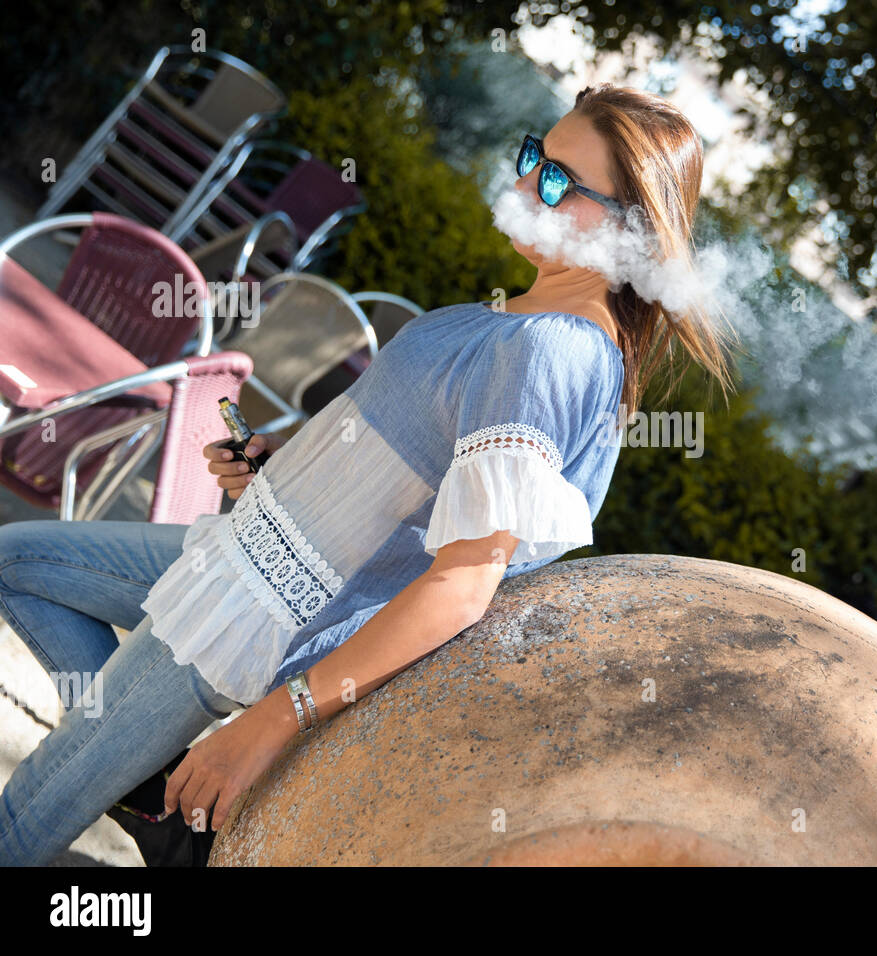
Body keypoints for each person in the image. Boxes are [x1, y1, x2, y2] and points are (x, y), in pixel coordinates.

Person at [0, 83, 737, 865]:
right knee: (18, 563)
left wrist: (277, 716)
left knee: (26, 817)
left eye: (559, 180)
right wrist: (276, 472)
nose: (527, 184)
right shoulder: (514, 321)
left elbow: (465, 583)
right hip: (241, 559)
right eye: (533, 156)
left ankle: (129, 772)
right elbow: (407, 495)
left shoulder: (551, 350)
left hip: (257, 614)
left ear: (628, 231)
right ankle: (151, 789)